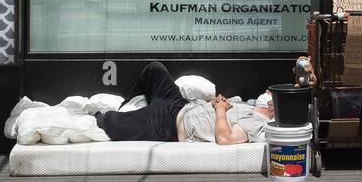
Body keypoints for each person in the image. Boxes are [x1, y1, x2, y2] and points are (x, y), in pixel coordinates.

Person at [94, 61, 272, 144]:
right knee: (155, 69)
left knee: (109, 122)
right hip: (180, 104)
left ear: (273, 106)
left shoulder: (258, 122)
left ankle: (118, 116)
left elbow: (225, 138)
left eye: (271, 93)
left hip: (168, 125)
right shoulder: (251, 105)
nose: (266, 92)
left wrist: (220, 108)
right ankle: (128, 106)